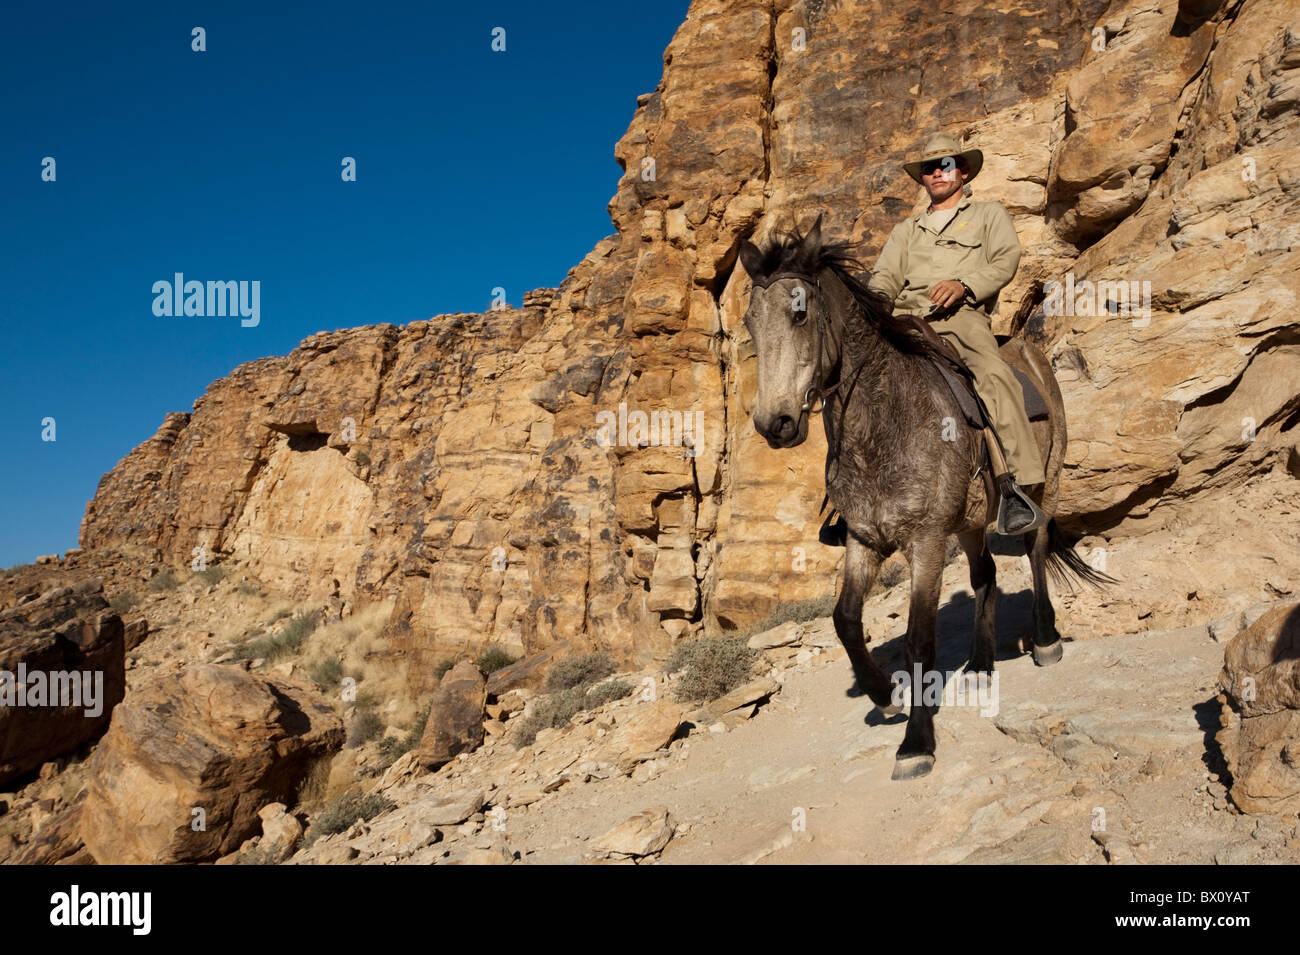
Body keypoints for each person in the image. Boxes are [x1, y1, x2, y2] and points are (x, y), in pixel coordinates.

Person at [820, 132, 1045, 546]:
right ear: (922, 178)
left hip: (961, 318)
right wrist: (873, 308)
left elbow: (1005, 260)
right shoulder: (907, 230)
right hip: (906, 319)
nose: (937, 172)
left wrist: (964, 284)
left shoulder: (988, 215)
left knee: (993, 376)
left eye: (946, 165)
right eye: (929, 168)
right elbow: (886, 276)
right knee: (851, 381)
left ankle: (1017, 485)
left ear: (963, 171)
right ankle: (846, 496)